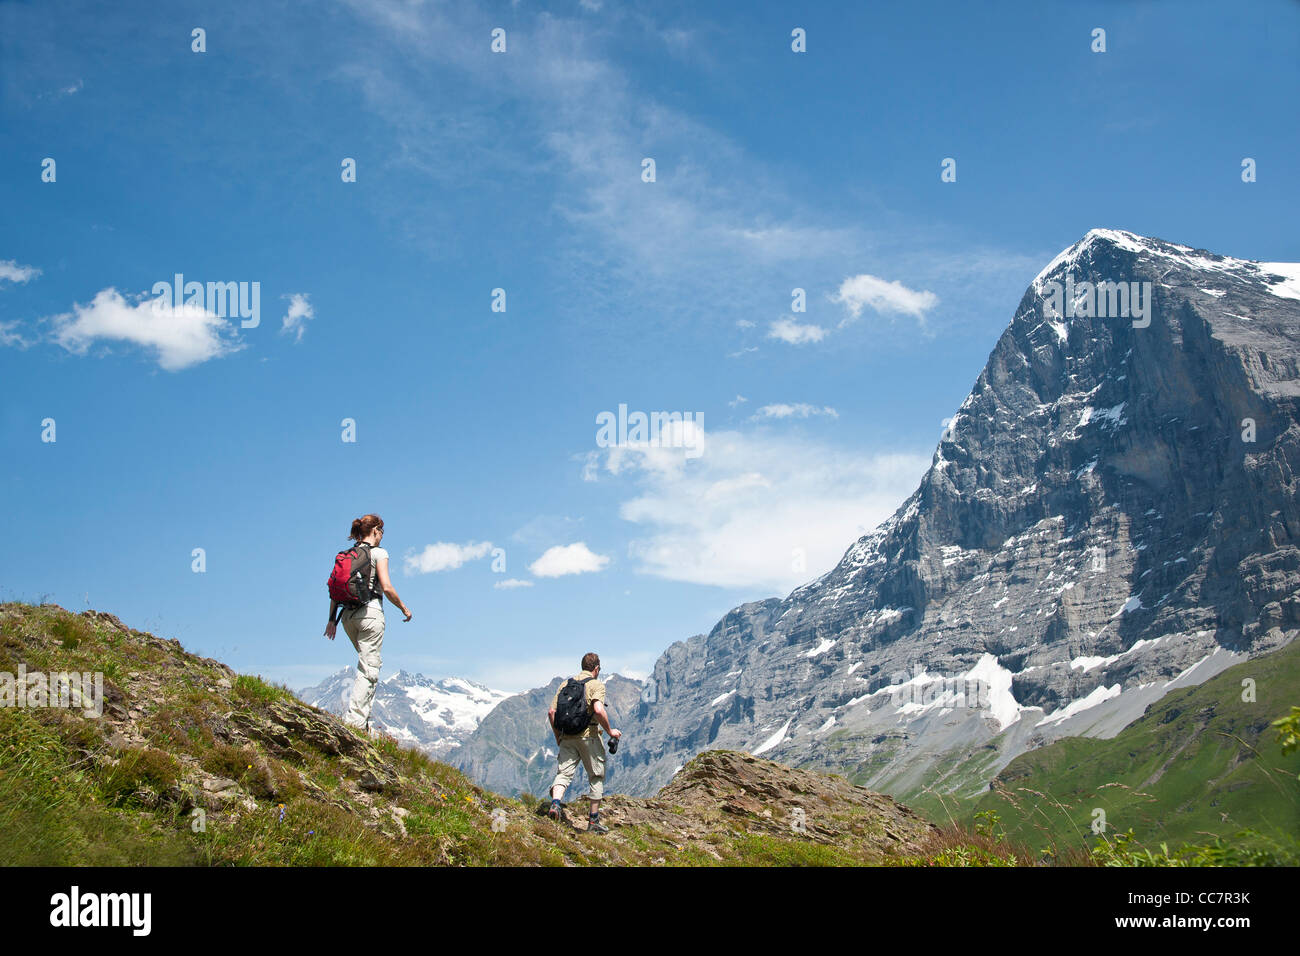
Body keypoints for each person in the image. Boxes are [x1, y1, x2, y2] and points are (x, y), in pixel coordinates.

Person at [324, 514, 412, 732]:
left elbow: (335, 590)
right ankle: (356, 724)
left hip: (346, 618)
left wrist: (330, 621)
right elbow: (387, 587)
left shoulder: (346, 555)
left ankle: (361, 720)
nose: (382, 536)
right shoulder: (379, 553)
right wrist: (404, 608)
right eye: (382, 531)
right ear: (375, 530)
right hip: (370, 614)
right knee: (369, 668)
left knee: (366, 663)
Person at [547, 652, 622, 834]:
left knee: (563, 774)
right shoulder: (596, 685)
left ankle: (555, 804)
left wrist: (559, 737)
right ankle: (593, 821)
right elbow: (597, 709)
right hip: (589, 736)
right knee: (596, 776)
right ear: (596, 668)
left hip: (567, 736)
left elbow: (551, 712)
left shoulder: (565, 684)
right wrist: (610, 731)